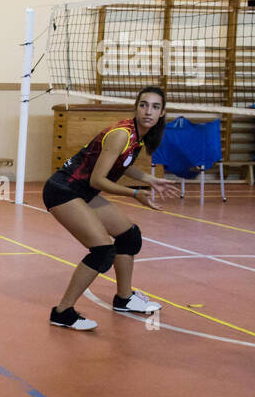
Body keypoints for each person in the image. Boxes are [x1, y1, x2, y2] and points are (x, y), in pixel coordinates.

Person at [42, 85, 182, 330]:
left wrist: (149, 180)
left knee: (129, 236)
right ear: (136, 108)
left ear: (162, 113)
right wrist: (135, 193)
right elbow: (98, 180)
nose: (148, 111)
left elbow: (121, 164)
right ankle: (62, 312)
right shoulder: (122, 133)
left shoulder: (138, 136)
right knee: (102, 250)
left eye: (155, 107)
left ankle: (124, 299)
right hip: (63, 190)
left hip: (82, 191)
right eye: (144, 105)